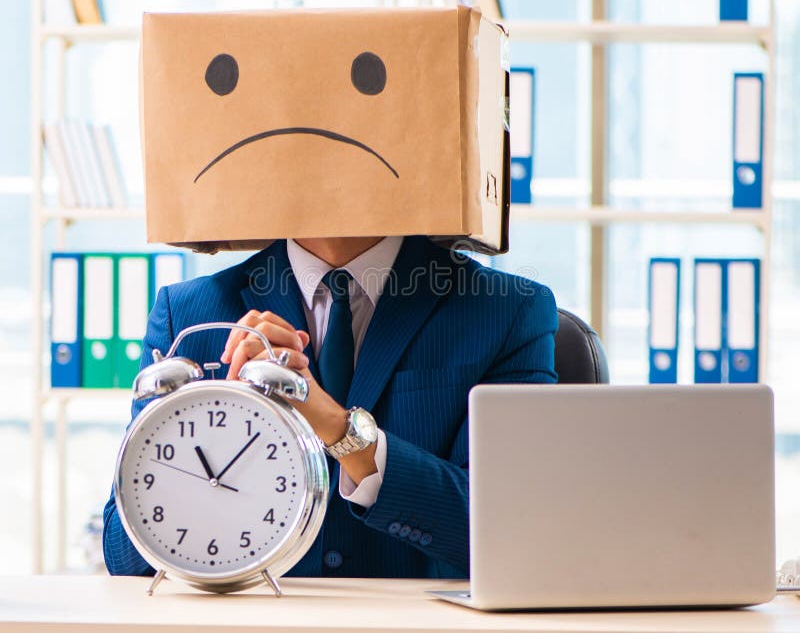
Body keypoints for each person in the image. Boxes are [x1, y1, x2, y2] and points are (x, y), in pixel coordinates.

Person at [103, 234, 558, 579]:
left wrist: (339, 429)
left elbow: (514, 534)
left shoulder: (509, 311)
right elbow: (125, 558)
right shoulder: (189, 313)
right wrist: (219, 416)